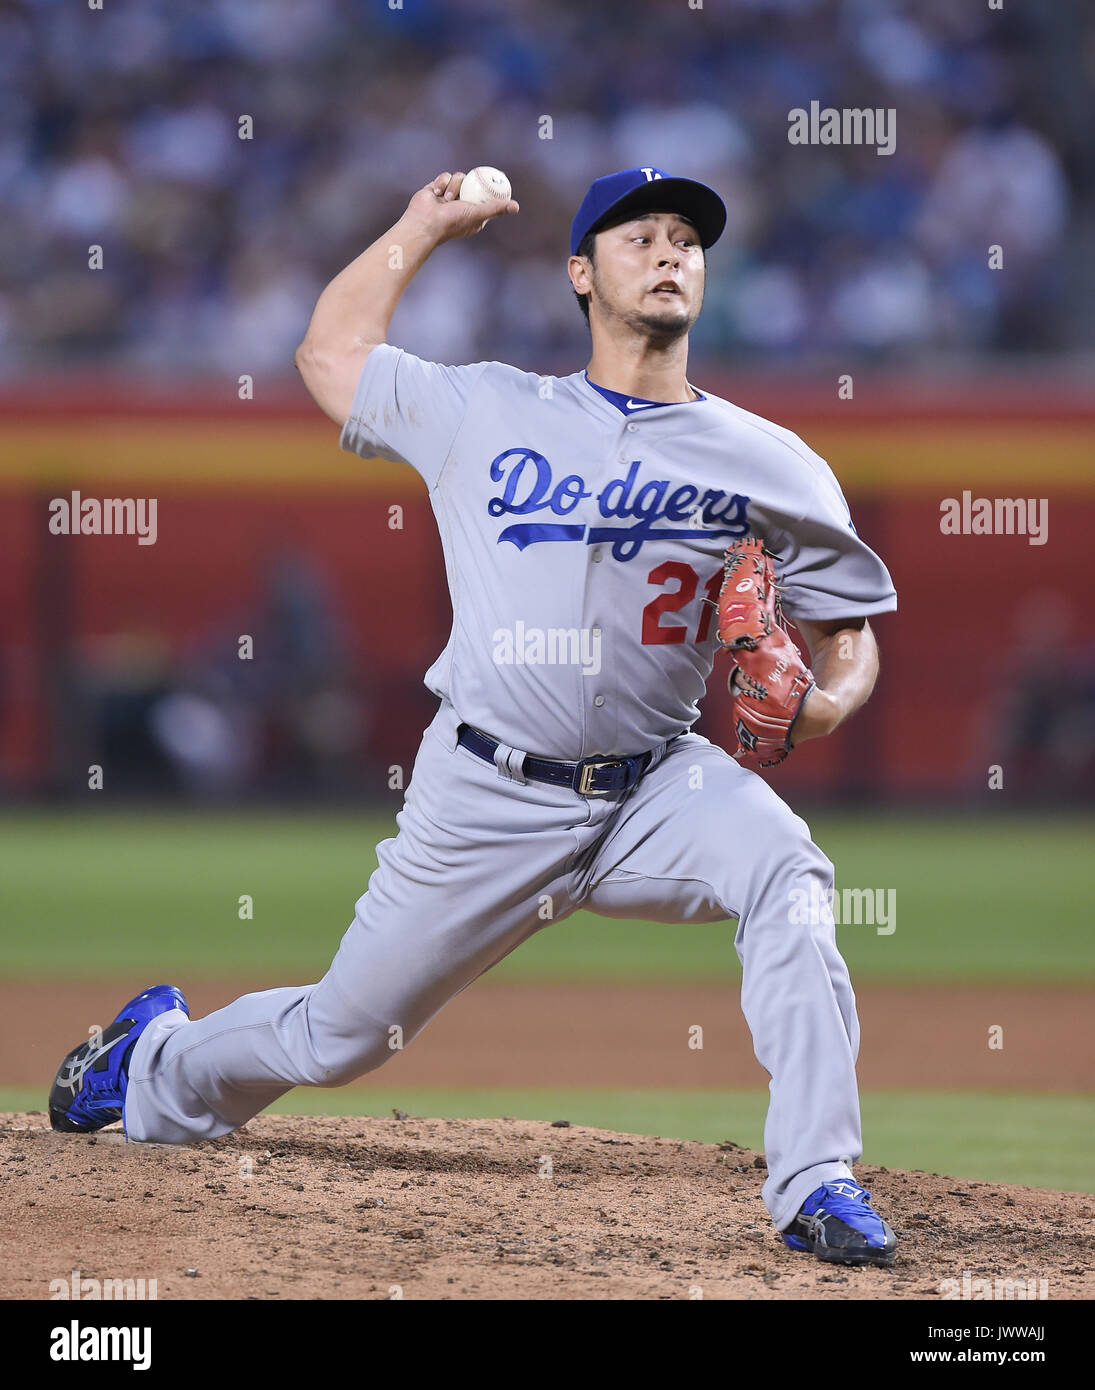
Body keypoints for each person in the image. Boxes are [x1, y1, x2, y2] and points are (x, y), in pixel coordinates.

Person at [50, 167, 898, 1268]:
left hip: (657, 784)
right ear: (581, 274)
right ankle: (157, 1057)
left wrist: (825, 707)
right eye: (638, 236)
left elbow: (848, 632)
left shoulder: (773, 462)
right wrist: (419, 226)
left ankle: (816, 1178)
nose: (670, 250)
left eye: (687, 236)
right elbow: (329, 357)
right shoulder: (487, 407)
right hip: (488, 788)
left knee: (789, 871)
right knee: (340, 1034)